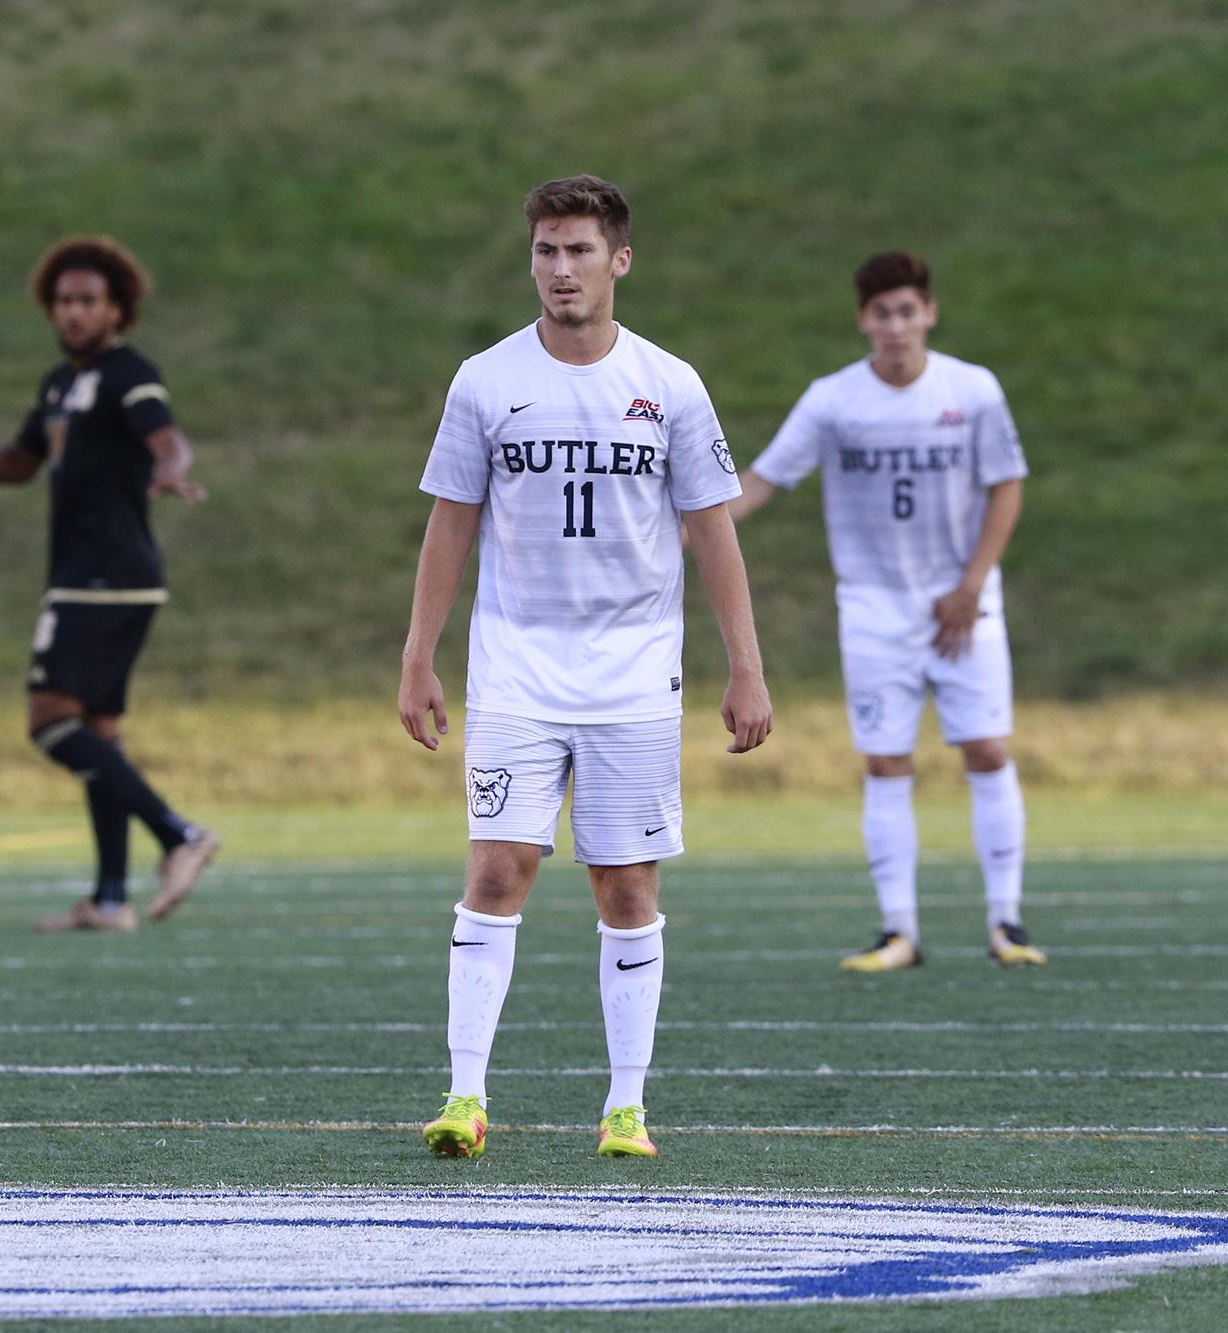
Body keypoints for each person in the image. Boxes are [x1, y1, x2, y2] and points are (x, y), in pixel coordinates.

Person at [398, 176, 773, 1160]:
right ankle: (464, 1098)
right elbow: (450, 520)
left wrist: (747, 668)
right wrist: (417, 656)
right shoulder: (483, 379)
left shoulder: (668, 383)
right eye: (544, 251)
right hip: (514, 668)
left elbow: (709, 531)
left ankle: (624, 1108)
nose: (558, 270)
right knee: (496, 865)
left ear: (618, 261)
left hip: (632, 676)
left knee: (625, 888)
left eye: (576, 251)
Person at [730, 251, 1044, 971]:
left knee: (987, 747)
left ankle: (1008, 922)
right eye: (882, 314)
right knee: (885, 760)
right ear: (862, 321)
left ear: (929, 312)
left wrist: (971, 585)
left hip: (963, 605)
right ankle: (898, 929)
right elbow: (764, 478)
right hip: (874, 608)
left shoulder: (974, 390)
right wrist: (687, 528)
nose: (896, 327)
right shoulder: (833, 399)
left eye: (908, 311)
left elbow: (1007, 486)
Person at [0, 235, 218, 933]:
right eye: (64, 301)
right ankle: (110, 898)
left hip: (105, 574)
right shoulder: (57, 383)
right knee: (98, 734)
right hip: (95, 576)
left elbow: (167, 439)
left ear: (117, 309)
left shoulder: (127, 372)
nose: (73, 312)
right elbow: (18, 462)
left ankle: (179, 835)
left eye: (88, 300)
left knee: (48, 720)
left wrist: (169, 470)